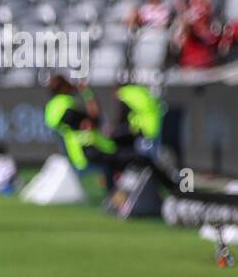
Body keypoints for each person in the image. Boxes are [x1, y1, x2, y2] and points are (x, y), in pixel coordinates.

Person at [44, 75, 173, 193]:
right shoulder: (66, 105)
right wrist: (87, 93)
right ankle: (172, 187)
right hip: (91, 150)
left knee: (121, 161)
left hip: (81, 152)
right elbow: (95, 118)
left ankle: (116, 196)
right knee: (139, 159)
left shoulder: (52, 108)